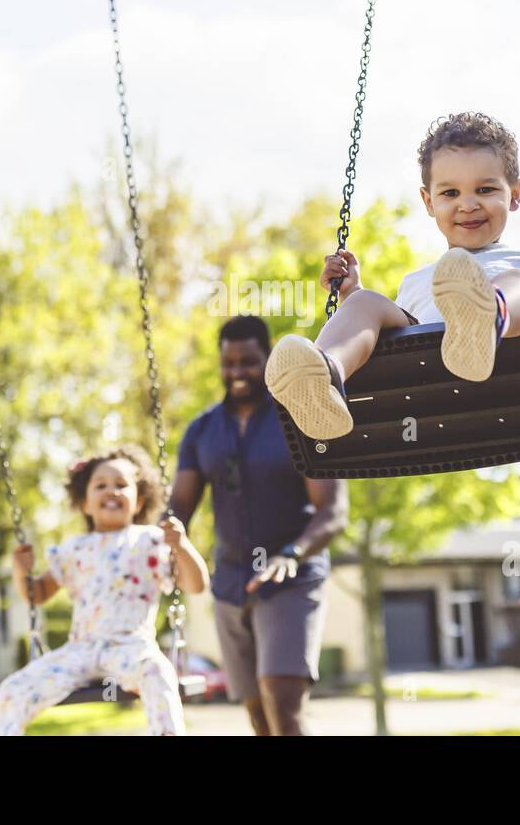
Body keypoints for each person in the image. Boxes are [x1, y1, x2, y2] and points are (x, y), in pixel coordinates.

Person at [264, 111, 520, 440]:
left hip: (507, 376)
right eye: (450, 193)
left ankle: (487, 316)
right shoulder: (419, 282)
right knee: (367, 303)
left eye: (485, 189)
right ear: (428, 201)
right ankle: (324, 377)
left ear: (515, 195)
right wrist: (351, 292)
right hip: (426, 383)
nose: (468, 204)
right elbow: (389, 337)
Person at [171, 314, 348, 735]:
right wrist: (162, 538)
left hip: (291, 579)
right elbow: (180, 505)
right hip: (231, 583)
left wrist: (293, 554)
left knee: (282, 703)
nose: (236, 373)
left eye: (247, 362)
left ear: (267, 359)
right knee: (256, 715)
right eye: (228, 363)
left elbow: (332, 511)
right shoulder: (202, 431)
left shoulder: (300, 418)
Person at [0, 445, 209, 736]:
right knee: (13, 688)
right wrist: (20, 571)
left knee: (158, 673)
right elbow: (36, 594)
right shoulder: (74, 549)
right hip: (79, 650)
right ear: (85, 504)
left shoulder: (151, 541)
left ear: (139, 500)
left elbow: (196, 584)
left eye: (121, 485)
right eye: (100, 485)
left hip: (130, 646)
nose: (111, 491)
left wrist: (181, 545)